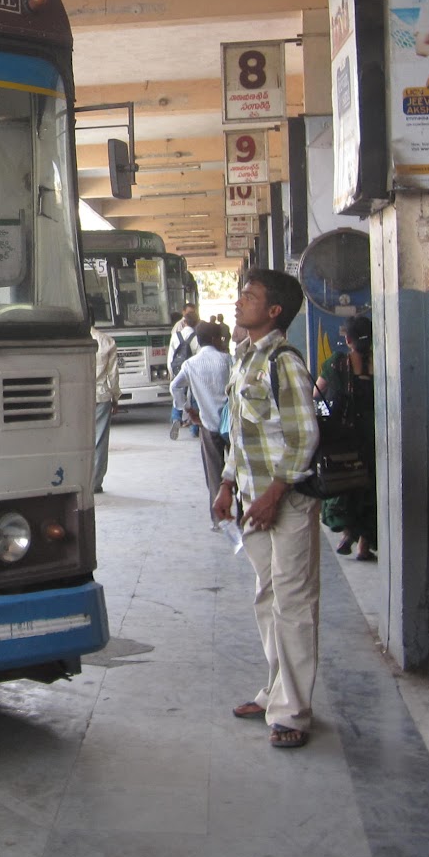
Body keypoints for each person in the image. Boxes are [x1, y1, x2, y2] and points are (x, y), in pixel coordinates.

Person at [212, 268, 321, 750]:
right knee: (268, 599)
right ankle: (275, 692)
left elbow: (304, 437)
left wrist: (275, 492)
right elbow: (241, 434)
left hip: (286, 503)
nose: (239, 302)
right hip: (253, 501)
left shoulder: (283, 362)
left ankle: (293, 711)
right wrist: (226, 484)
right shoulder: (245, 359)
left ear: (274, 311)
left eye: (250, 296)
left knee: (293, 606)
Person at [313, 316, 377, 562]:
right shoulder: (379, 361)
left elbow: (315, 395)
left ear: (347, 339)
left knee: (348, 481)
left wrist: (324, 421)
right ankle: (364, 545)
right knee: (370, 487)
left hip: (343, 434)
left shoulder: (337, 363)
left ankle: (347, 532)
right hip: (372, 435)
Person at [170, 320, 231, 519]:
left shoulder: (190, 364)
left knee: (214, 473)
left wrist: (187, 409)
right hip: (231, 425)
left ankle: (218, 518)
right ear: (215, 339)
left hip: (207, 424)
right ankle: (240, 513)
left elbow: (175, 387)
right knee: (236, 470)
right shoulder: (227, 360)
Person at [92, 325, 121, 494]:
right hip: (101, 396)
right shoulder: (106, 341)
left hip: (77, 397)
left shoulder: (72, 340)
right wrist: (115, 397)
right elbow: (113, 375)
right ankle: (95, 483)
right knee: (99, 441)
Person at [167, 302, 201, 440]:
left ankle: (176, 418)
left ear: (185, 322)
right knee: (194, 399)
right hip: (192, 372)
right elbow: (199, 357)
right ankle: (194, 429)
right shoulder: (198, 337)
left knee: (178, 396)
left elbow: (171, 356)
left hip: (178, 371)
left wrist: (172, 373)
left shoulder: (176, 336)